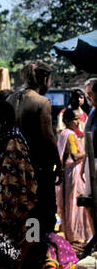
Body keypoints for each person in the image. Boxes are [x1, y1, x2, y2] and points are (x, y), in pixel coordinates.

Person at [0, 94, 37, 245]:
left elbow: (11, 180)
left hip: (10, 208)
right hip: (0, 204)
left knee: (10, 245)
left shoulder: (13, 142)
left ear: (2, 119)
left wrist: (1, 207)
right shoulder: (5, 138)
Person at [13, 62, 60, 236]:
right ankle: (40, 252)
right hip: (39, 167)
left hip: (16, 166)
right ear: (45, 79)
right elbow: (48, 137)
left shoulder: (11, 99)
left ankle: (27, 249)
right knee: (44, 211)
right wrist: (58, 163)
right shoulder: (41, 102)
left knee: (24, 211)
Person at [57, 106, 91, 247]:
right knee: (75, 206)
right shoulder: (70, 135)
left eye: (78, 119)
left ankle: (71, 234)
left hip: (68, 172)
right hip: (73, 173)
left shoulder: (63, 133)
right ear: (67, 121)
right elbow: (75, 155)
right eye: (75, 119)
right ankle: (76, 236)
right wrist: (89, 151)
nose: (77, 122)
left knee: (70, 203)